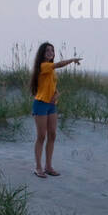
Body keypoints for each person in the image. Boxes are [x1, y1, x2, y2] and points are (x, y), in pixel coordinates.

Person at [30, 42, 81, 177]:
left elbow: (51, 85)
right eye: (47, 50)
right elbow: (58, 65)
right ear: (42, 53)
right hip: (40, 103)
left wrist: (57, 93)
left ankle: (48, 166)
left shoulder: (51, 70)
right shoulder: (44, 66)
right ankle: (38, 167)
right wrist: (72, 60)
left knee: (52, 135)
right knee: (41, 136)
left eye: (52, 50)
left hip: (51, 105)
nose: (50, 52)